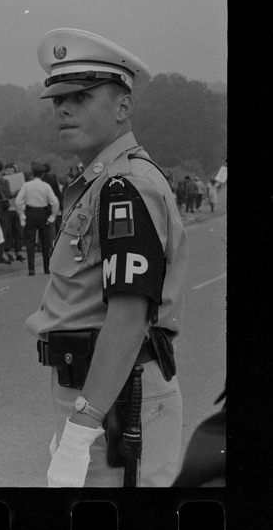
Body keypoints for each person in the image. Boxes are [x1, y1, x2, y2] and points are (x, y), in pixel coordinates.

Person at [27, 27, 187, 487]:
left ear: (123, 106)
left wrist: (82, 429)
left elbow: (128, 317)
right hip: (98, 393)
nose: (63, 107)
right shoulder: (102, 182)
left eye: (81, 95)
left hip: (118, 401)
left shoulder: (124, 187)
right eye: (58, 98)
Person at [14, 162, 60, 276]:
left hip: (30, 213)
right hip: (43, 213)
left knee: (30, 242)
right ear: (42, 174)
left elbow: (18, 202)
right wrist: (52, 216)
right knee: (45, 242)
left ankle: (31, 269)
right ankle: (46, 268)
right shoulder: (46, 186)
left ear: (32, 174)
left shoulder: (26, 185)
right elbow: (55, 202)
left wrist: (22, 215)